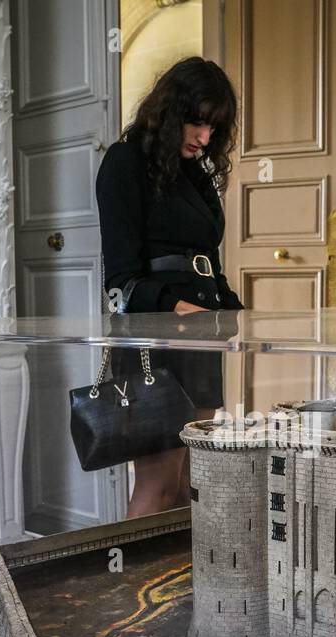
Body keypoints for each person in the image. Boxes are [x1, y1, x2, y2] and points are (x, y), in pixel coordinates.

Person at [95, 57, 242, 518]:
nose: (204, 137)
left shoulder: (194, 172)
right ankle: (126, 588)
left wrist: (232, 310)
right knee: (159, 483)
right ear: (169, 111)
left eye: (214, 128)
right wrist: (181, 308)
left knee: (187, 484)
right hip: (155, 337)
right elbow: (119, 281)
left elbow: (208, 260)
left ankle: (171, 590)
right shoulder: (124, 161)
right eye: (196, 122)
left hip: (198, 335)